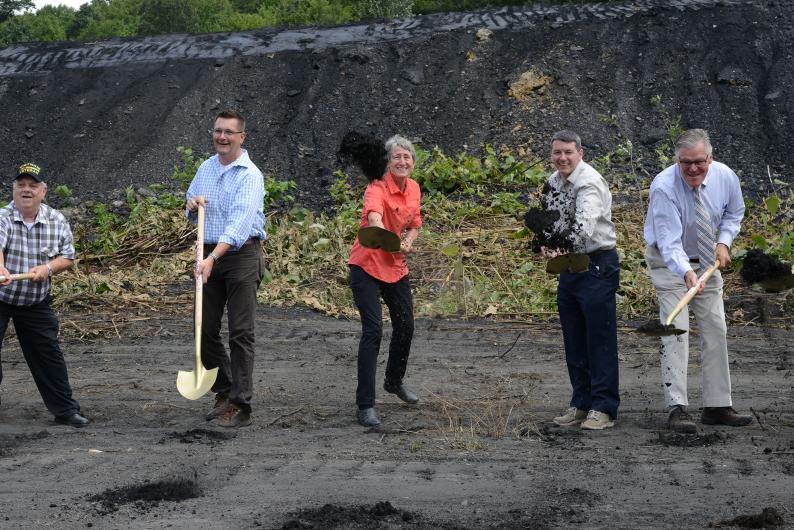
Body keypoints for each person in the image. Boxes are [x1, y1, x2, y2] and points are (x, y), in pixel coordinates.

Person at [643, 128, 752, 433]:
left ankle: (717, 406)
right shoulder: (664, 186)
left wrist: (724, 242)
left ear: (710, 158)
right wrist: (687, 274)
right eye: (685, 162)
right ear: (677, 160)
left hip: (707, 260)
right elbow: (668, 242)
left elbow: (735, 212)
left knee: (716, 327)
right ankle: (677, 408)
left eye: (699, 162)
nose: (692, 168)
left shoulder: (725, 177)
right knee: (676, 328)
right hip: (668, 263)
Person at [186, 110, 265, 428]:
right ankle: (224, 390)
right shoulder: (206, 168)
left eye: (229, 132)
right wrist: (191, 205)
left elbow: (238, 226)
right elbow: (191, 200)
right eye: (218, 131)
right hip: (208, 253)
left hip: (241, 255)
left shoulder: (250, 175)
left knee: (241, 332)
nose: (222, 137)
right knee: (202, 328)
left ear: (241, 137)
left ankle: (241, 405)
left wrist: (212, 259)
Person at [542, 130, 620, 430]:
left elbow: (583, 226)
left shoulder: (590, 182)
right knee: (574, 337)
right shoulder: (553, 182)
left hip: (597, 264)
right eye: (557, 152)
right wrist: (547, 243)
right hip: (569, 266)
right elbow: (552, 219)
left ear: (580, 153)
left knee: (598, 338)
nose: (562, 158)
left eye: (568, 153)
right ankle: (581, 403)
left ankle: (604, 408)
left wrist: (560, 246)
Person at [0, 163, 89, 427]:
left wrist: (48, 268)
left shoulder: (56, 220)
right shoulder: (3, 216)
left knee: (48, 356)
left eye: (32, 185)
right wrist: (1, 268)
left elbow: (68, 256)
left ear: (43, 191)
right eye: (21, 185)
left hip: (35, 301)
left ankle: (65, 411)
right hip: (1, 298)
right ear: (14, 189)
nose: (26, 190)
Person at [348, 134, 422, 428]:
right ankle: (365, 405)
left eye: (407, 157)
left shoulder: (414, 188)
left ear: (413, 163)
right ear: (387, 162)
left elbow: (415, 223)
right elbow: (374, 216)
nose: (402, 162)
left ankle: (394, 381)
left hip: (395, 267)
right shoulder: (376, 186)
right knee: (373, 331)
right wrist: (381, 232)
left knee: (406, 326)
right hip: (365, 266)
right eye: (396, 157)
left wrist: (409, 239)